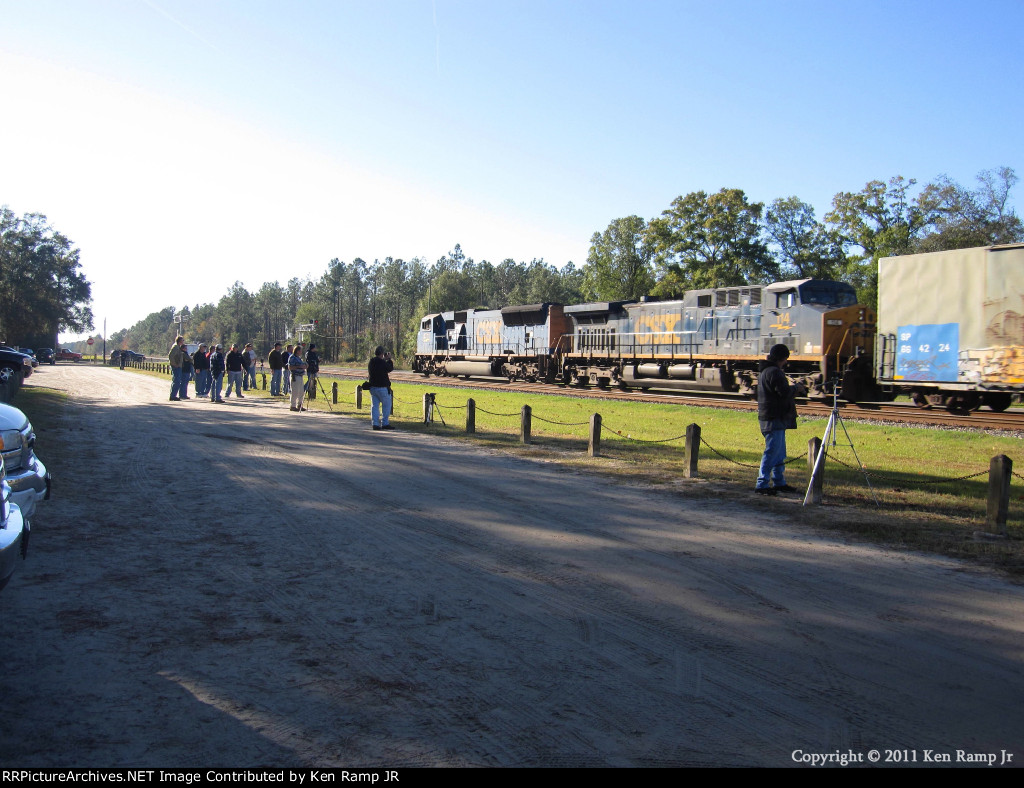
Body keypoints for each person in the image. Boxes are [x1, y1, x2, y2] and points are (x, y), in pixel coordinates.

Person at [756, 343, 806, 495]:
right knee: (772, 452)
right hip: (774, 417)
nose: (786, 362)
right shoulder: (775, 373)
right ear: (782, 358)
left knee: (779, 453)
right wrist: (796, 388)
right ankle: (762, 484)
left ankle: (779, 481)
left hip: (771, 417)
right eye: (785, 359)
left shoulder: (766, 371)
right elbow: (783, 392)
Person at [368, 345, 394, 430]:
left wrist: (384, 360)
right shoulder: (382, 362)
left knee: (374, 406)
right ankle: (385, 423)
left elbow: (380, 364)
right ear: (382, 353)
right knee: (386, 406)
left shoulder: (371, 362)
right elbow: (389, 368)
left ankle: (375, 423)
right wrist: (389, 359)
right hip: (382, 388)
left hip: (373, 387)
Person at [288, 343, 307, 411]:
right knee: (295, 391)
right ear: (297, 351)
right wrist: (299, 366)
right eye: (300, 350)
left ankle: (300, 405)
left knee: (301, 391)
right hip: (295, 376)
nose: (301, 352)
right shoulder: (292, 358)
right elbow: (290, 367)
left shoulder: (299, 358)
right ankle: (292, 405)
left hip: (300, 376)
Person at [168, 336, 185, 401]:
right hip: (176, 367)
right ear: (179, 341)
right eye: (182, 340)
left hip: (178, 366)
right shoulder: (175, 347)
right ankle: (173, 396)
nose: (183, 342)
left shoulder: (177, 347)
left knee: (177, 381)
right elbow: (170, 355)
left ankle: (173, 395)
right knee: (176, 381)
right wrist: (174, 364)